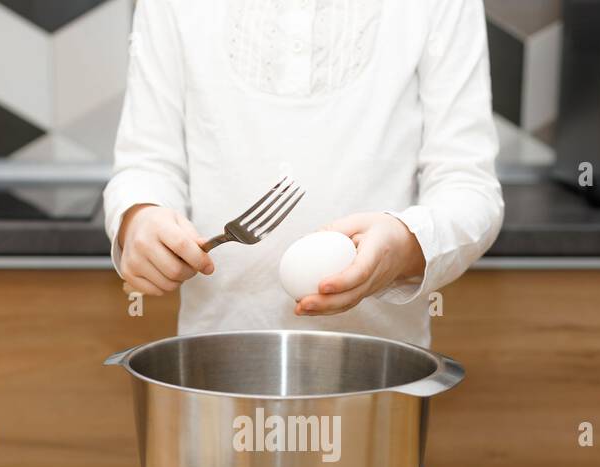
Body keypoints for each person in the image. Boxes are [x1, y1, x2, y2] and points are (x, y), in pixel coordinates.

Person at [104, 0, 504, 349]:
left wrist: (407, 244)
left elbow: (469, 186)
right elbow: (148, 163)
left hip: (383, 370)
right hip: (212, 365)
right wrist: (140, 217)